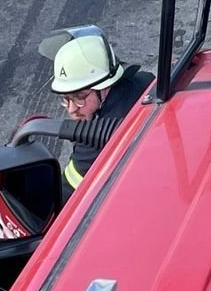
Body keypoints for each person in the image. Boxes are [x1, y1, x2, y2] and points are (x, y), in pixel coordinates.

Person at [41, 27, 151, 193]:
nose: (72, 110)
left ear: (104, 87)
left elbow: (65, 197)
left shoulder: (94, 142)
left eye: (79, 97)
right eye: (66, 99)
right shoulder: (144, 81)